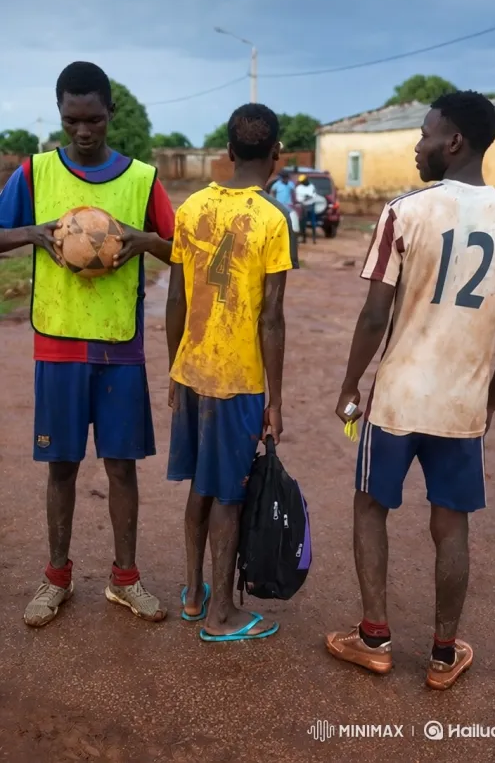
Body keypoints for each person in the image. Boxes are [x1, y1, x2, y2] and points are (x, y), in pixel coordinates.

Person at [327, 90, 495, 690]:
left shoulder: (405, 212)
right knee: (451, 524)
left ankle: (374, 639)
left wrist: (349, 385)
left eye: (424, 134)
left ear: (454, 141)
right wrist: (489, 403)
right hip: (460, 406)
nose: (416, 145)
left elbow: (374, 317)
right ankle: (444, 654)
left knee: (371, 507)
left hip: (397, 398)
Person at [0, 61, 174, 627]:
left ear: (110, 114)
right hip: (58, 343)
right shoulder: (33, 173)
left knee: (121, 467)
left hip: (118, 345)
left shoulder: (143, 179)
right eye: (73, 119)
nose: (83, 131)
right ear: (60, 113)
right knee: (62, 466)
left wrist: (147, 239)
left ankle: (125, 580)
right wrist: (29, 231)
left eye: (94, 119)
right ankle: (56, 579)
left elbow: (181, 250)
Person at [166, 103, 298, 641]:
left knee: (200, 485)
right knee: (228, 494)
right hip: (238, 380)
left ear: (226, 152)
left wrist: (175, 370)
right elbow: (272, 318)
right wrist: (276, 398)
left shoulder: (192, 206)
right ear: (276, 155)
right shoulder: (272, 220)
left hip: (192, 370)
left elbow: (175, 298)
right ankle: (222, 615)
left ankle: (195, 594)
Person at [271, 170, 299, 238]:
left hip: (289, 207)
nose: (285, 179)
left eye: (287, 178)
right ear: (281, 178)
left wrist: (295, 203)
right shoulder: (276, 185)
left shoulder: (290, 184)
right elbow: (272, 194)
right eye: (284, 178)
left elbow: (293, 195)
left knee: (292, 222)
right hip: (279, 207)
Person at [295, 174, 317, 243]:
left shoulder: (312, 187)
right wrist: (306, 197)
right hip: (303, 206)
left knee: (313, 222)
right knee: (303, 223)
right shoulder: (299, 188)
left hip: (311, 206)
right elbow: (298, 198)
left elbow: (313, 195)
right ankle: (304, 238)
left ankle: (314, 239)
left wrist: (307, 197)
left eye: (304, 181)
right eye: (302, 181)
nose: (303, 182)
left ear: (306, 180)